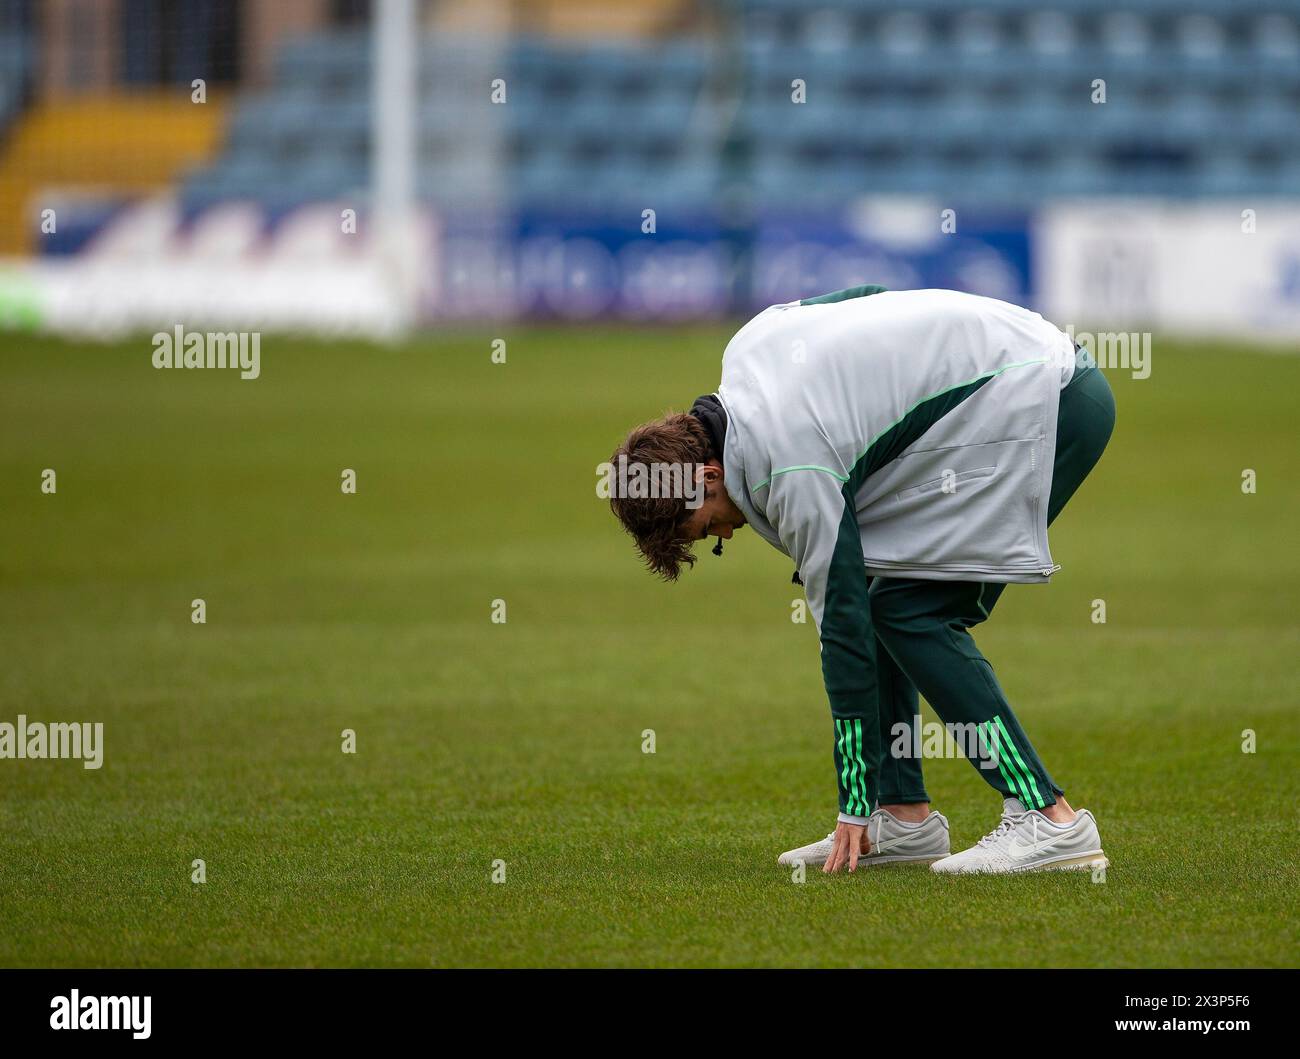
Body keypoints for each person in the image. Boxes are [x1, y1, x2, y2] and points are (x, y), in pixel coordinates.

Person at [607, 285, 1115, 875]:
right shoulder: (747, 350)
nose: (719, 536)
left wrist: (851, 800)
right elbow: (869, 298)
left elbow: (842, 624)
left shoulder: (791, 467)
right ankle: (903, 819)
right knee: (889, 598)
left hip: (1042, 399)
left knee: (910, 611)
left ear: (711, 473)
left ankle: (1047, 818)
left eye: (701, 527)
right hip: (1031, 374)